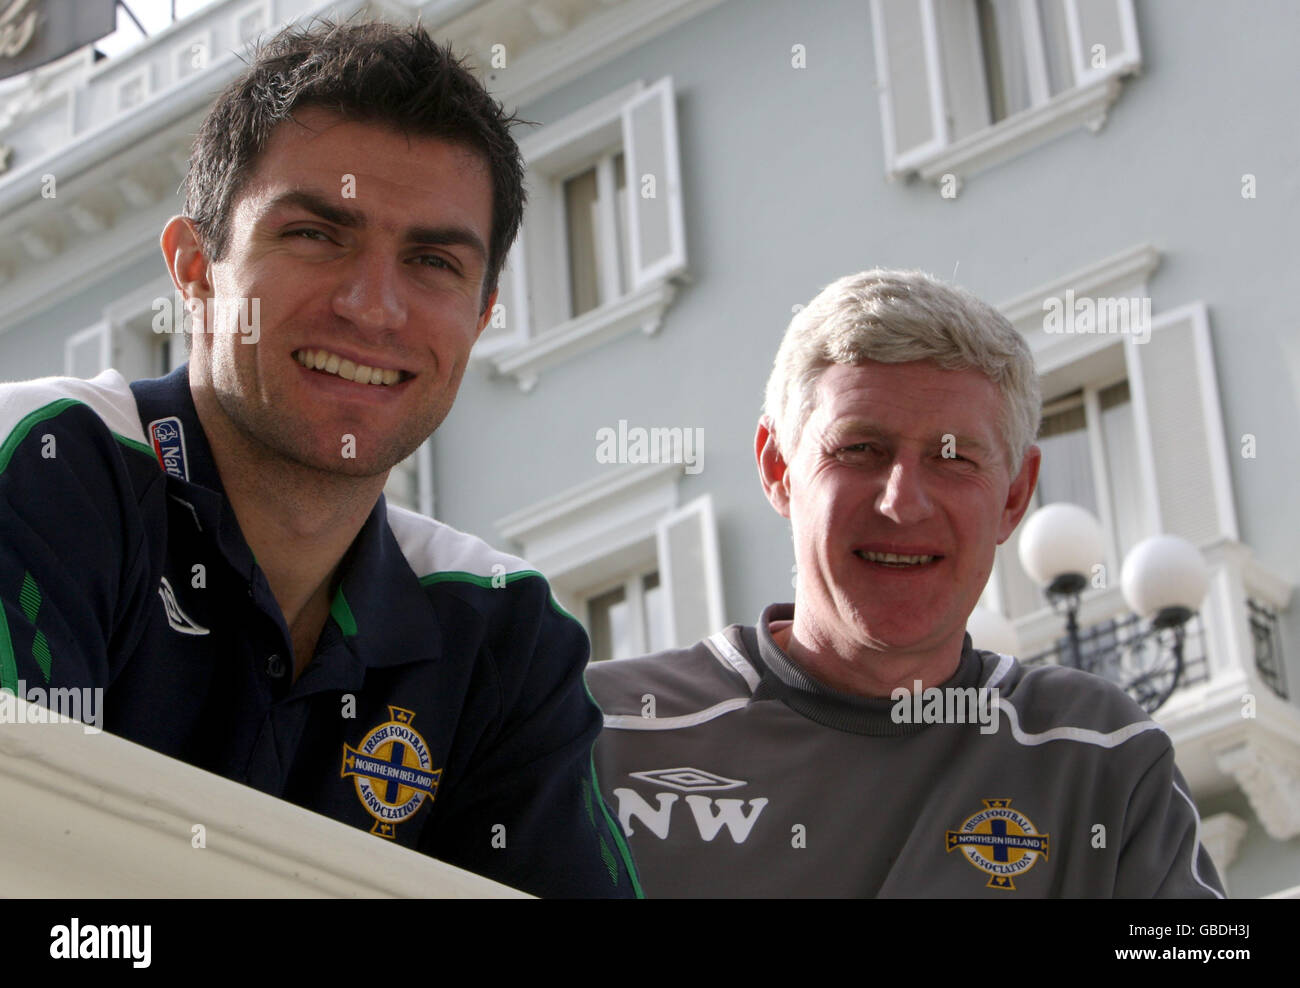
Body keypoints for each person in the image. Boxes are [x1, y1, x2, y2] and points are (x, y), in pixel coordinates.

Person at [0, 20, 638, 899]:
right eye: (315, 235)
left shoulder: (500, 632)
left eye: (432, 262)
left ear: (483, 317)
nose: (374, 309)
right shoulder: (42, 463)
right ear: (194, 269)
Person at [586, 268, 1224, 898]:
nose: (903, 502)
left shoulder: (1100, 753)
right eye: (860, 449)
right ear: (778, 467)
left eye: (953, 458)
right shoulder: (601, 731)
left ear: (1015, 496)